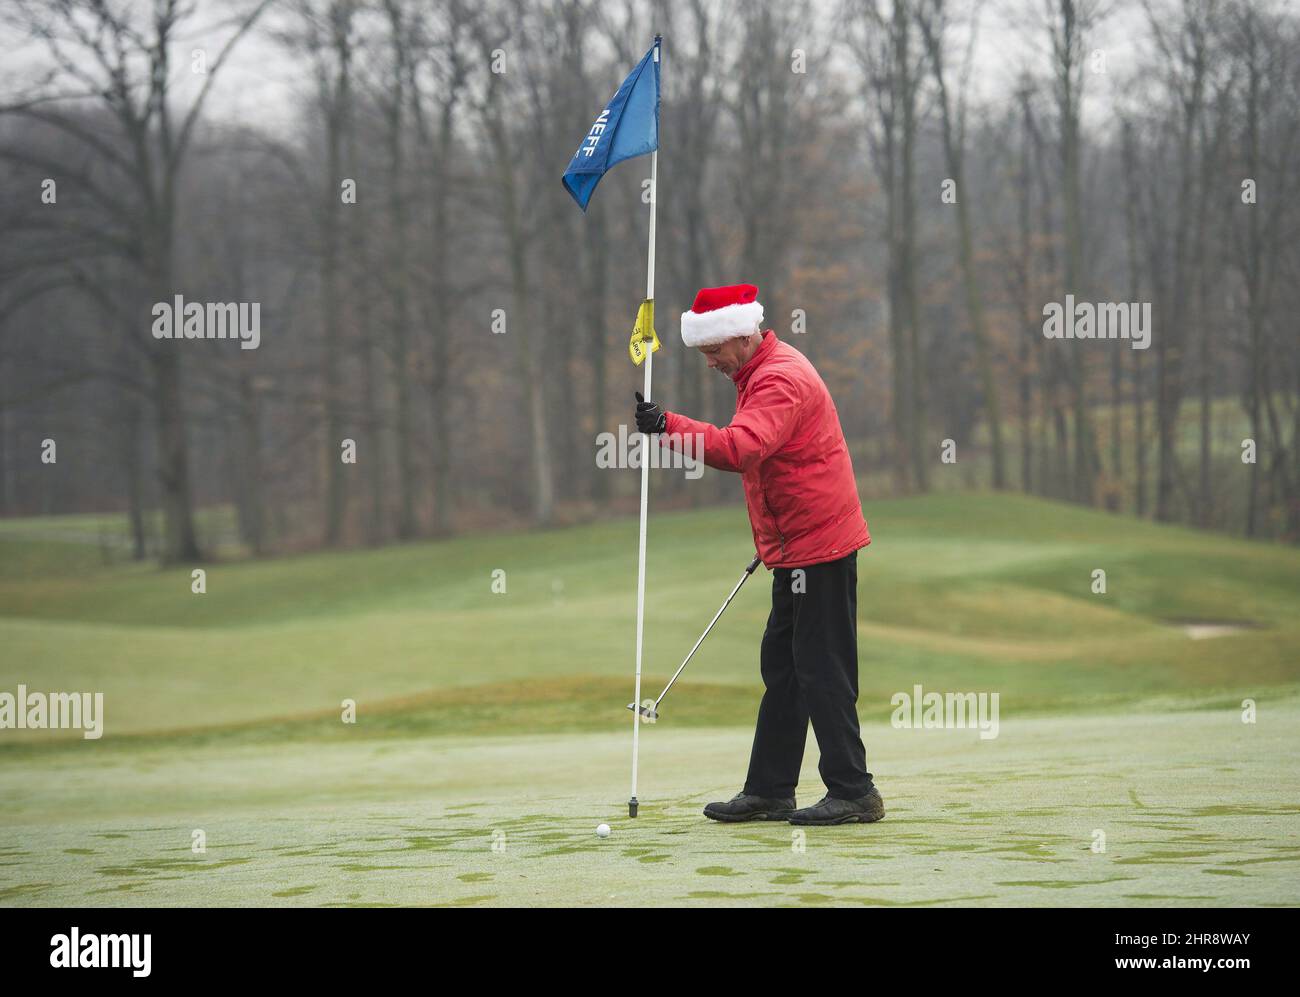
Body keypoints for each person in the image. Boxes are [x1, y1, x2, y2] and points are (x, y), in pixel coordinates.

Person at [634, 282, 884, 825]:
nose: (712, 364)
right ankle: (771, 789)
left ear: (742, 336)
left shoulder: (778, 378)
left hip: (820, 546)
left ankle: (854, 790)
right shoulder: (758, 371)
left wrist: (667, 426)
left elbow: (741, 448)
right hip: (797, 547)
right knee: (786, 668)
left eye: (714, 351)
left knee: (822, 668)